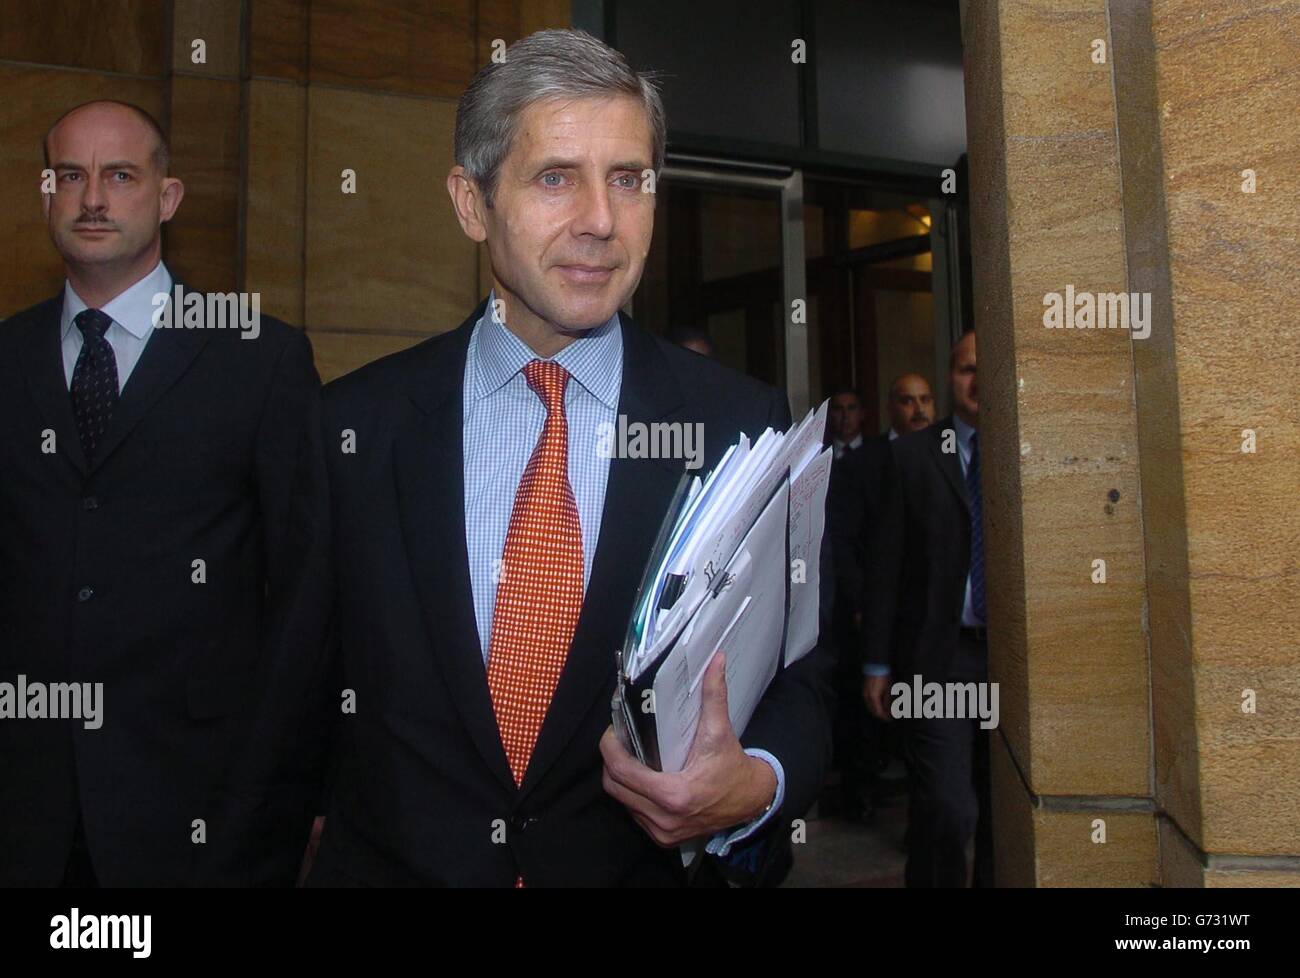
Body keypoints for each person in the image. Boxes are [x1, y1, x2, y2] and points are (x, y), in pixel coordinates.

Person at [306, 29, 834, 887]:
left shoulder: (738, 427)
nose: (600, 219)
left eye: (628, 180)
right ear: (471, 203)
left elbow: (805, 682)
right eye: (557, 177)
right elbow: (290, 711)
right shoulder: (353, 428)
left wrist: (757, 783)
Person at [0, 100, 329, 886]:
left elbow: (307, 590)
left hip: (198, 812)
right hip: (24, 814)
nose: (92, 200)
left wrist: (292, 792)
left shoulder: (258, 359)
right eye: (70, 176)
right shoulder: (6, 357)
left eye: (120, 175)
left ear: (167, 197)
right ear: (45, 193)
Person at [862, 329, 993, 887]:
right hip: (940, 658)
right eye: (967, 369)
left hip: (1013, 660)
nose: (978, 380)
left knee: (1003, 808)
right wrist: (876, 663)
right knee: (948, 805)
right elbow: (885, 565)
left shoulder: (1028, 451)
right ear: (950, 377)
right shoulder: (913, 456)